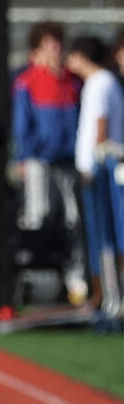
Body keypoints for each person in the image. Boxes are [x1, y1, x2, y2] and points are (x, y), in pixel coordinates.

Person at [12, 22, 83, 302]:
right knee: (38, 214)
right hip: (40, 161)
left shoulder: (72, 82)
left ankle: (75, 277)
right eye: (49, 45)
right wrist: (25, 155)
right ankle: (36, 275)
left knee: (73, 217)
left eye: (58, 45)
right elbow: (22, 124)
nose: (56, 51)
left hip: (68, 162)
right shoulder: (28, 81)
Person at [66, 35, 124, 314]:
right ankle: (105, 293)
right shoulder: (102, 82)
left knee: (103, 234)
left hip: (99, 169)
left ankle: (105, 294)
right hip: (98, 167)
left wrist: (95, 163)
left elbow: (100, 124)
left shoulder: (99, 83)